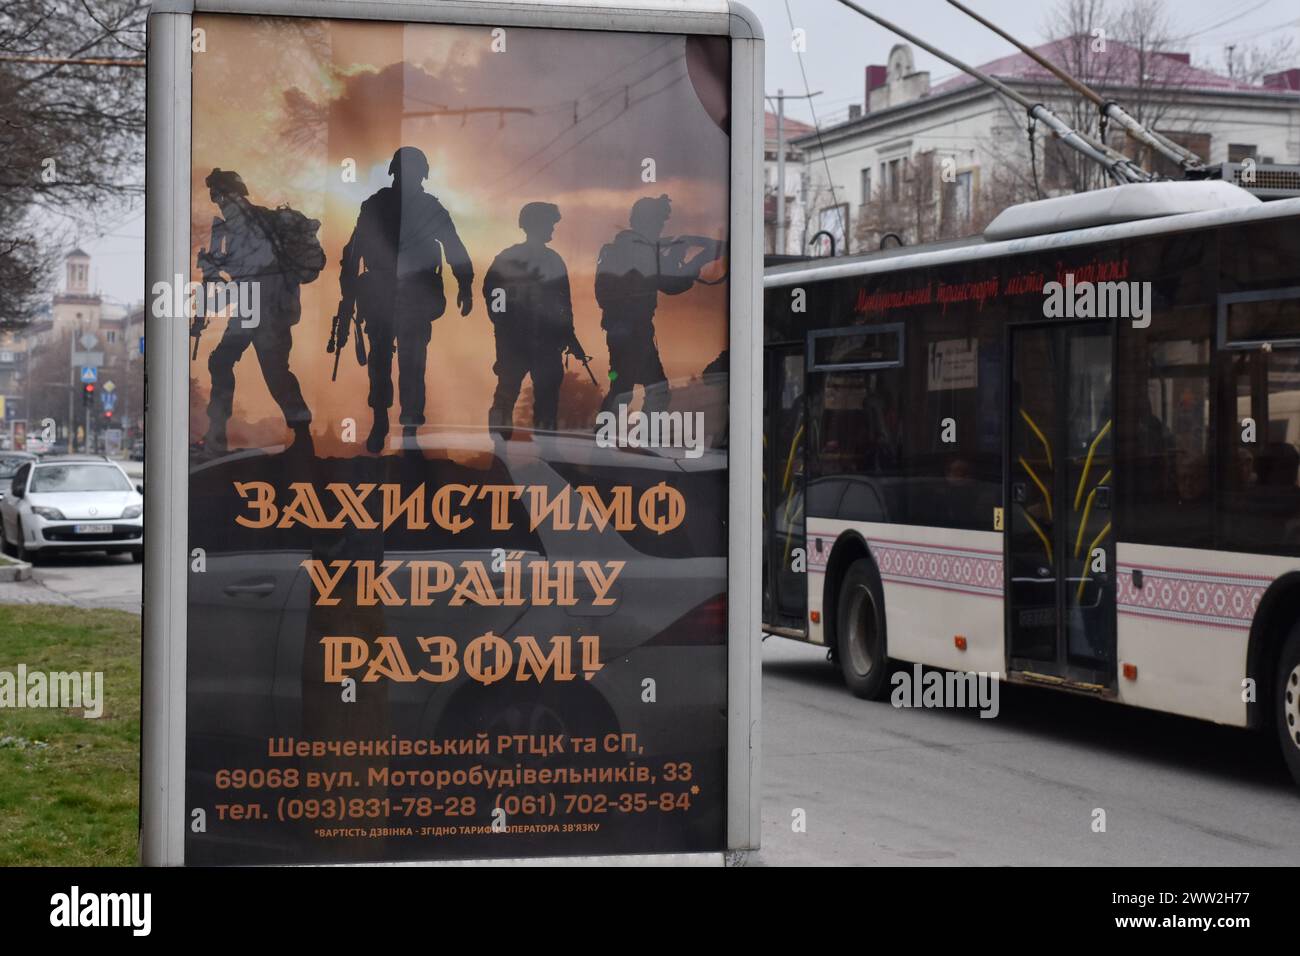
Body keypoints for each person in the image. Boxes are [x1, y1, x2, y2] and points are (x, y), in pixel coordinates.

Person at [339, 146, 474, 453]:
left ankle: (406, 428)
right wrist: (348, 295)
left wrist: (465, 284)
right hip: (389, 290)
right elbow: (354, 250)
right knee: (387, 360)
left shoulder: (409, 206)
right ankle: (385, 422)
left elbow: (454, 247)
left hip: (409, 292)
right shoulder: (381, 205)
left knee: (403, 360)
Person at [199, 168, 317, 455]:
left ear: (229, 194)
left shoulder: (250, 223)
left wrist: (216, 266)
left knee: (273, 372)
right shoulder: (242, 223)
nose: (217, 201)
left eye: (218, 195)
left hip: (266, 306)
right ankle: (217, 435)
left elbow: (253, 265)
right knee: (227, 363)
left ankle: (302, 437)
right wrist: (215, 269)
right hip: (255, 305)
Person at [482, 202, 582, 439]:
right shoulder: (552, 260)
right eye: (549, 223)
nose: (552, 229)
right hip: (531, 343)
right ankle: (523, 448)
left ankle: (504, 446)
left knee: (509, 395)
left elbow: (562, 305)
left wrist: (505, 324)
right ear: (536, 225)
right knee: (526, 398)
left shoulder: (510, 258)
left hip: (524, 342)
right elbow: (562, 306)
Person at [594, 194, 700, 415]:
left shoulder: (626, 247)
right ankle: (643, 438)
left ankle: (603, 438)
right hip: (634, 330)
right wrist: (695, 263)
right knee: (654, 390)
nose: (661, 228)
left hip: (622, 330)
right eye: (659, 222)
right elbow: (670, 284)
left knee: (624, 388)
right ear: (647, 221)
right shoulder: (640, 249)